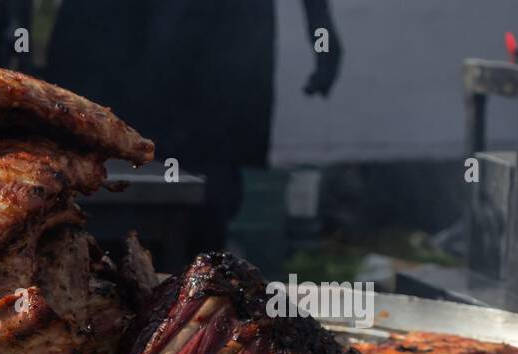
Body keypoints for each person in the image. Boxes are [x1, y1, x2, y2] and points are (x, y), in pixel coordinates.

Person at [39, 0, 341, 251]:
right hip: (121, 32)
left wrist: (321, 30)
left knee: (211, 187)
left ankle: (198, 292)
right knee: (94, 155)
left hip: (219, 37)